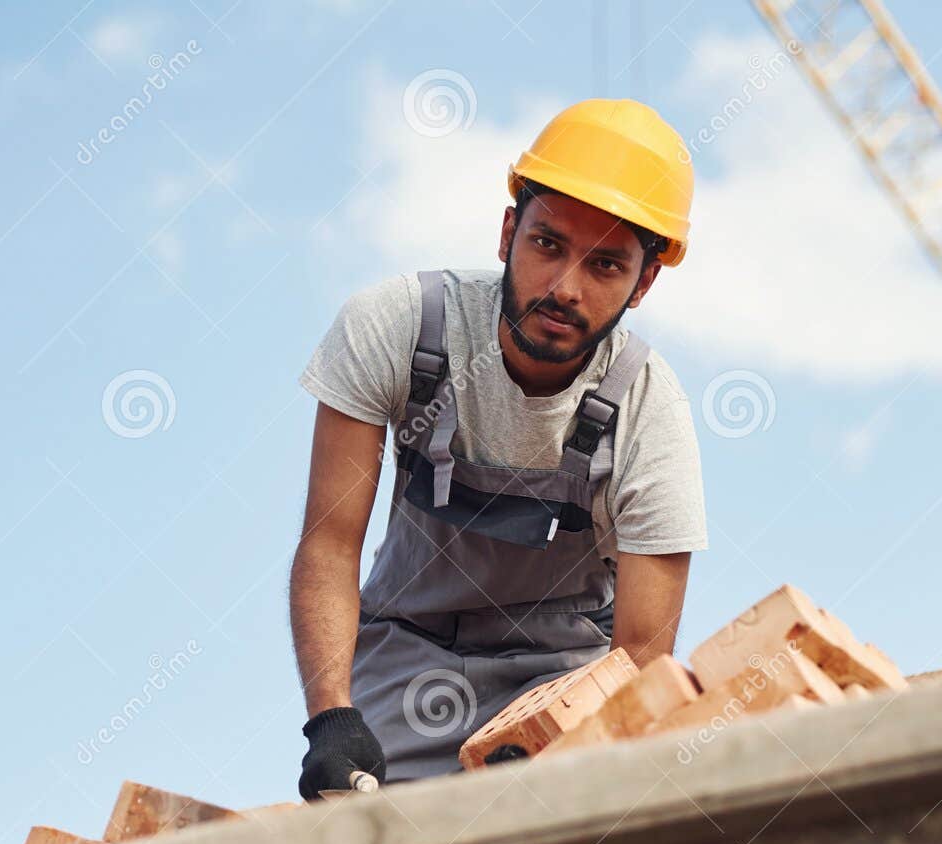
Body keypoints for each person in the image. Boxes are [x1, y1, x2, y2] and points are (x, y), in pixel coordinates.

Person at [290, 98, 707, 796]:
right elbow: (331, 544)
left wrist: (567, 743)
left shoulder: (649, 409)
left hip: (565, 676)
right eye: (548, 245)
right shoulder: (399, 326)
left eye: (605, 266)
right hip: (406, 659)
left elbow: (640, 652)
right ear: (508, 231)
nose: (565, 288)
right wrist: (332, 719)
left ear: (645, 282)